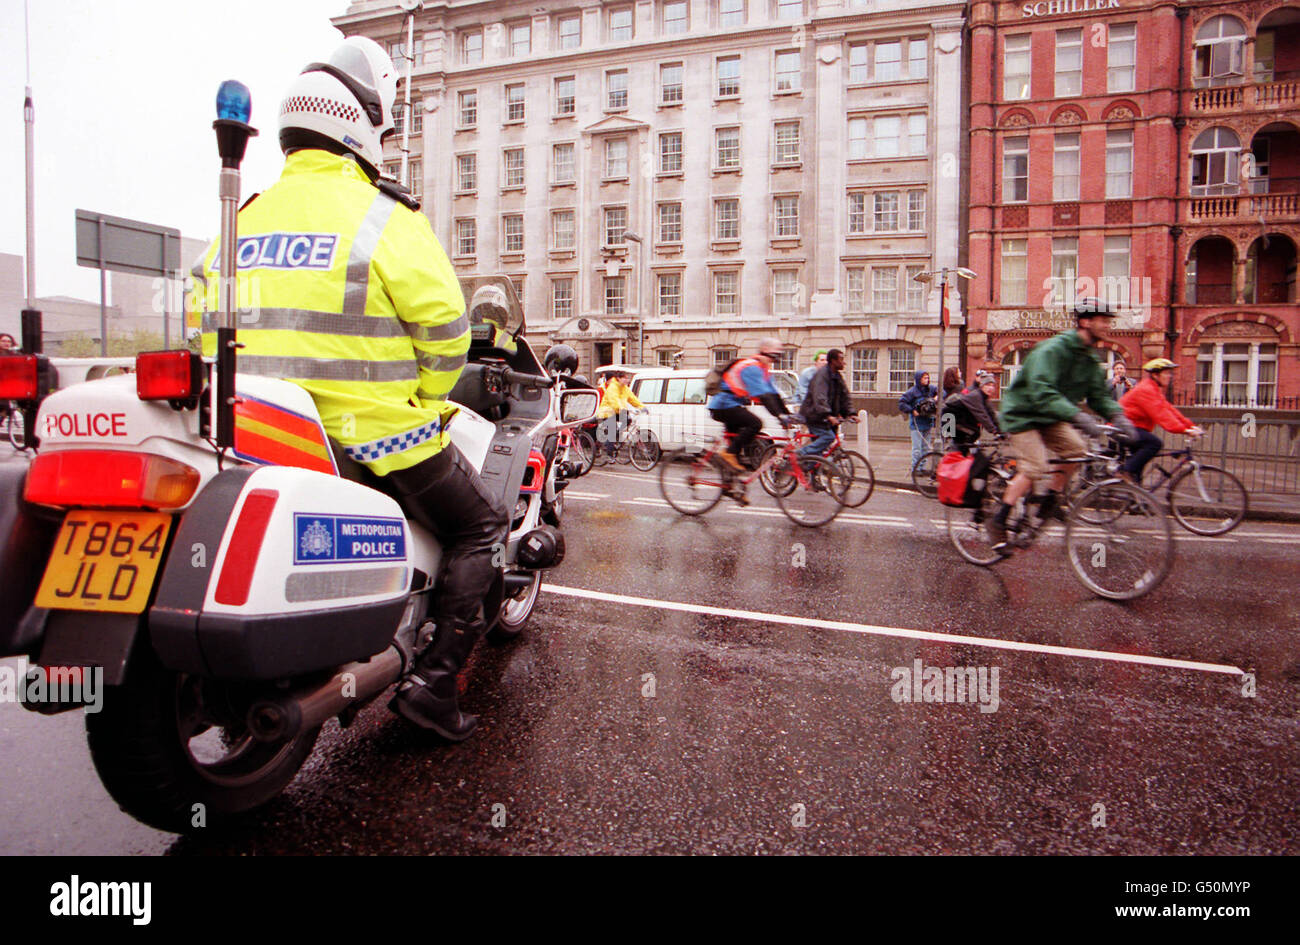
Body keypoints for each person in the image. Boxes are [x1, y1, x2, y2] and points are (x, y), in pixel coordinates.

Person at [193, 36, 507, 742]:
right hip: (372, 434)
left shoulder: (241, 219)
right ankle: (431, 686)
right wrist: (424, 397)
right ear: (362, 122)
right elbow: (446, 334)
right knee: (480, 525)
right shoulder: (383, 216)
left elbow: (200, 320)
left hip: (255, 427)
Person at [988, 299, 1139, 548]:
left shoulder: (1089, 360)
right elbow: (1041, 390)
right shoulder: (1052, 350)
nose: (1107, 326)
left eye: (1108, 321)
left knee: (1077, 450)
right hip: (1023, 413)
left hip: (1051, 417)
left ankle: (1049, 500)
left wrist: (1119, 418)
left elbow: (1099, 397)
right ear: (1085, 322)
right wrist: (1078, 416)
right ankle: (999, 519)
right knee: (1035, 466)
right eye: (1103, 321)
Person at [707, 337, 795, 504]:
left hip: (733, 405)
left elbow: (773, 395)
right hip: (723, 405)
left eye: (778, 357)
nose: (775, 361)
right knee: (755, 424)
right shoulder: (752, 367)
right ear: (764, 352)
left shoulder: (763, 370)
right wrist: (780, 417)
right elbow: (763, 396)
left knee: (737, 457)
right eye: (774, 356)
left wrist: (787, 414)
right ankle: (727, 454)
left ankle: (732, 489)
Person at [1118, 358, 1204, 483]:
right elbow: (1162, 415)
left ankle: (1136, 498)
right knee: (1154, 443)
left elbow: (1170, 410)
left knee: (1137, 472)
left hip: (1132, 427)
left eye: (1170, 373)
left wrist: (1190, 426)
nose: (1170, 376)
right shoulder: (1146, 389)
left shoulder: (1154, 389)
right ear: (1155, 374)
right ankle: (1123, 471)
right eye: (1166, 373)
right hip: (1123, 426)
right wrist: (1185, 430)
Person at [798, 348, 850, 465]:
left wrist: (850, 413)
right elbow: (819, 397)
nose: (844, 362)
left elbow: (844, 396)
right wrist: (828, 415)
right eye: (841, 359)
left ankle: (810, 476)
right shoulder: (822, 376)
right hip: (814, 415)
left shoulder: (837, 377)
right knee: (828, 437)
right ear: (833, 361)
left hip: (824, 417)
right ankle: (800, 454)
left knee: (818, 452)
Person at [941, 370, 1002, 454]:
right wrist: (993, 431)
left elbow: (992, 414)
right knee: (972, 434)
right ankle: (952, 458)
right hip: (949, 418)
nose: (990, 388)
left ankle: (961, 456)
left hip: (960, 419)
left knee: (969, 440)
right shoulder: (975, 396)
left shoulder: (984, 398)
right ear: (981, 386)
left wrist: (1001, 430)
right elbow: (982, 415)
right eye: (987, 385)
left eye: (992, 385)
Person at [595, 370, 645, 457]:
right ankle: (609, 454)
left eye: (627, 378)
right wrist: (621, 409)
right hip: (607, 412)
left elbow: (632, 398)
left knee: (628, 420)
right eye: (624, 378)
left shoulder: (625, 388)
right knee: (612, 431)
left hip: (618, 410)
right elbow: (614, 401)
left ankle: (617, 437)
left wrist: (641, 407)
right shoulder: (612, 387)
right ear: (618, 378)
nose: (627, 380)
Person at [898, 370, 939, 469]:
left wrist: (936, 397)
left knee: (925, 448)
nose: (927, 380)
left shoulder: (931, 389)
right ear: (919, 379)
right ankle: (915, 468)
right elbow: (902, 403)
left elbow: (942, 391)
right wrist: (912, 410)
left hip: (927, 422)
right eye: (924, 378)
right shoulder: (912, 392)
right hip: (916, 424)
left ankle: (922, 467)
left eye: (927, 378)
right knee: (917, 448)